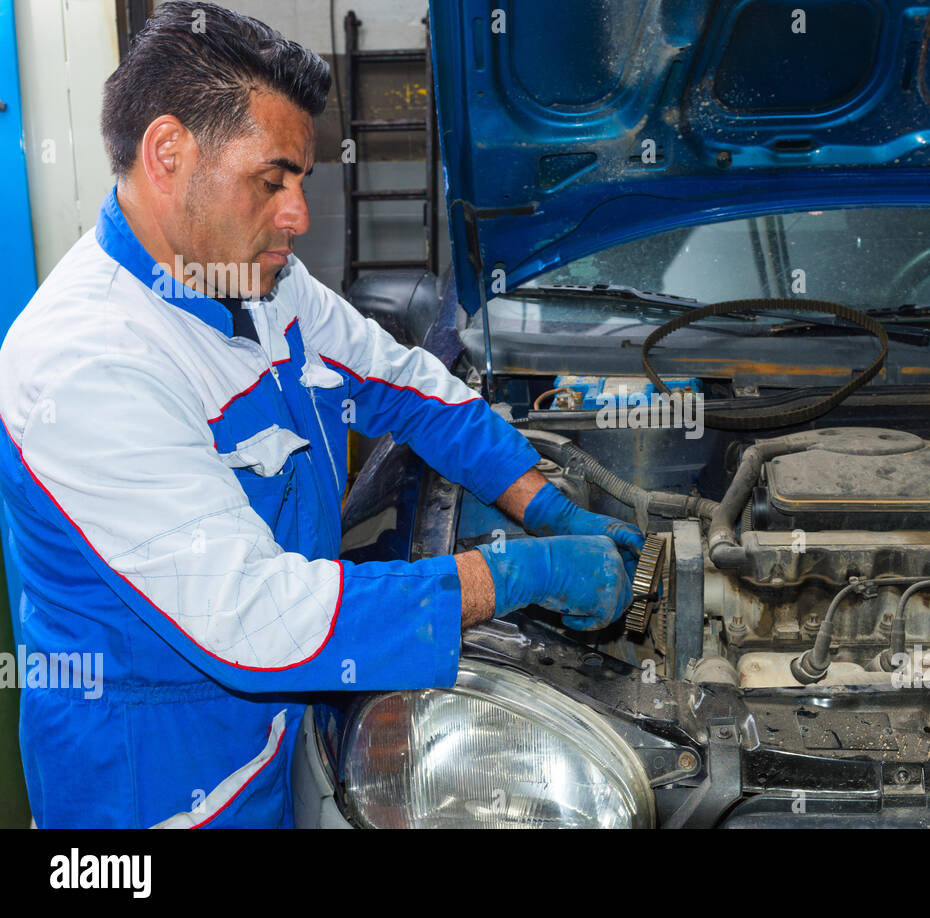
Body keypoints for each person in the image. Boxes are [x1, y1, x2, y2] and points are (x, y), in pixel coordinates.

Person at [0, 1, 641, 828]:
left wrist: (541, 501)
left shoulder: (259, 282)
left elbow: (407, 384)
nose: (299, 217)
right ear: (167, 153)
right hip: (158, 798)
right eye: (272, 181)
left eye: (302, 181)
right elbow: (259, 620)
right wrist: (523, 575)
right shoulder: (86, 366)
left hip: (283, 737)